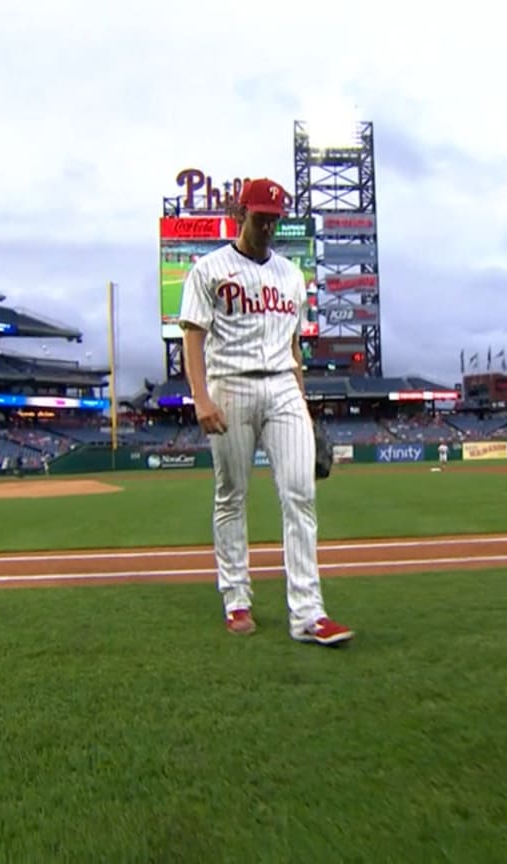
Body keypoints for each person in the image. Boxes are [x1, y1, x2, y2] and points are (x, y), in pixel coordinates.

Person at [178, 177, 354, 645]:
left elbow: (293, 346)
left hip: (281, 387)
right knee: (231, 494)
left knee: (300, 494)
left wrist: (305, 409)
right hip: (230, 385)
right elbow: (192, 334)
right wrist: (200, 396)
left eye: (275, 218)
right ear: (242, 214)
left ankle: (308, 613)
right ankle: (236, 598)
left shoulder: (292, 275)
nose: (269, 226)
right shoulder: (210, 268)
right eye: (261, 217)